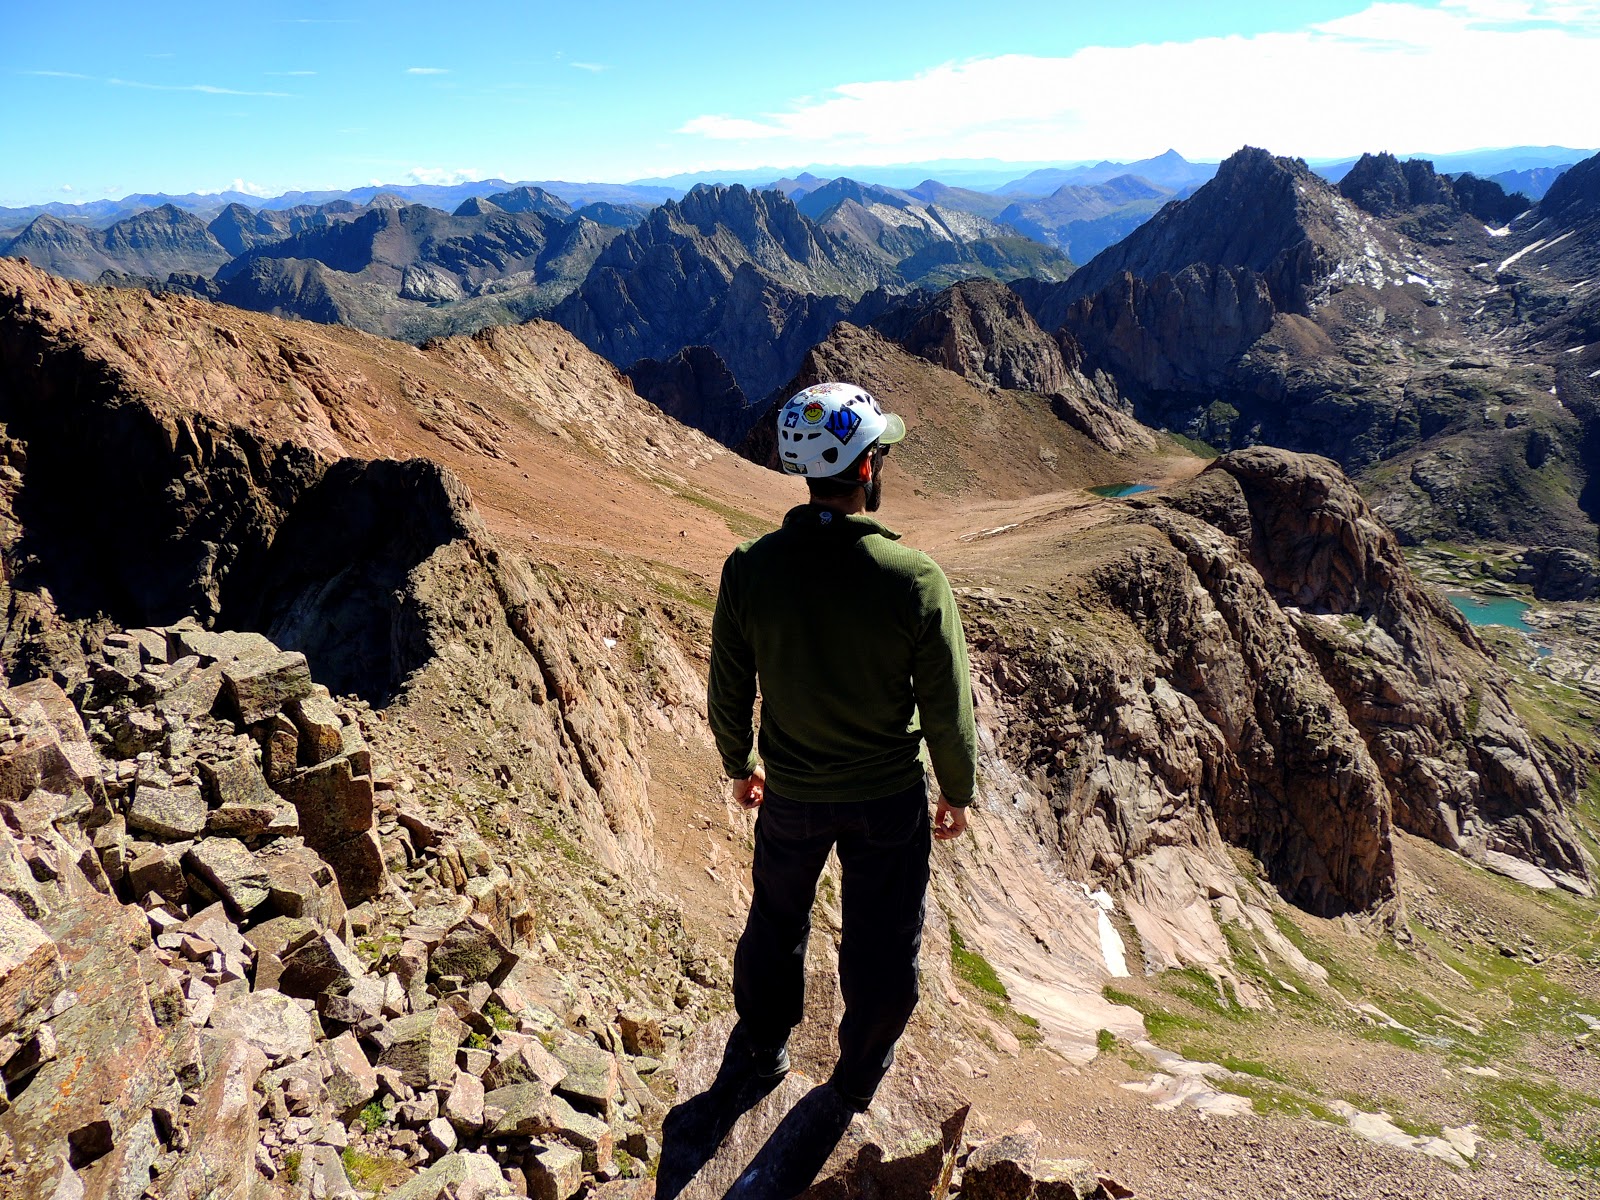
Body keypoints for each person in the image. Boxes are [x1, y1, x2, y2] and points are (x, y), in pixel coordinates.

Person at [707, 380, 978, 1112]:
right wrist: (957, 790)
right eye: (879, 453)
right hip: (888, 802)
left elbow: (729, 686)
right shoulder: (915, 580)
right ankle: (857, 1075)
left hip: (791, 793)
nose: (882, 463)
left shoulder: (749, 568)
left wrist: (740, 765)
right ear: (864, 468)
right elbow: (947, 707)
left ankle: (764, 1046)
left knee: (776, 920)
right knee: (883, 941)